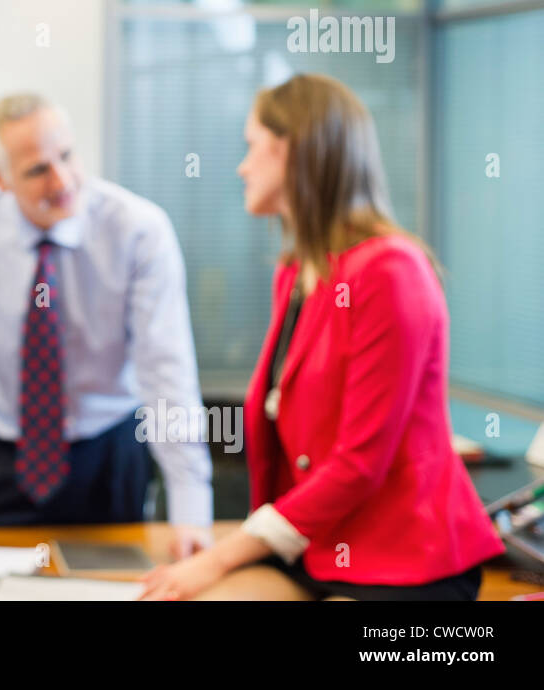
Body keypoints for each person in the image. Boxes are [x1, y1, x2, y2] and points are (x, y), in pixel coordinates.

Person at [139, 73, 505, 600]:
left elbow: (358, 466)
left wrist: (224, 555)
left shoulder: (391, 272)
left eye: (251, 147)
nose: (242, 167)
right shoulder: (298, 272)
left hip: (402, 561)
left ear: (294, 150)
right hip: (317, 546)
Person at [0, 93, 214, 558]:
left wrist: (191, 507)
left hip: (108, 448)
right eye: (37, 170)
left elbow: (165, 370)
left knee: (108, 585)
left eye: (68, 156)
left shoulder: (139, 230)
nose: (63, 180)